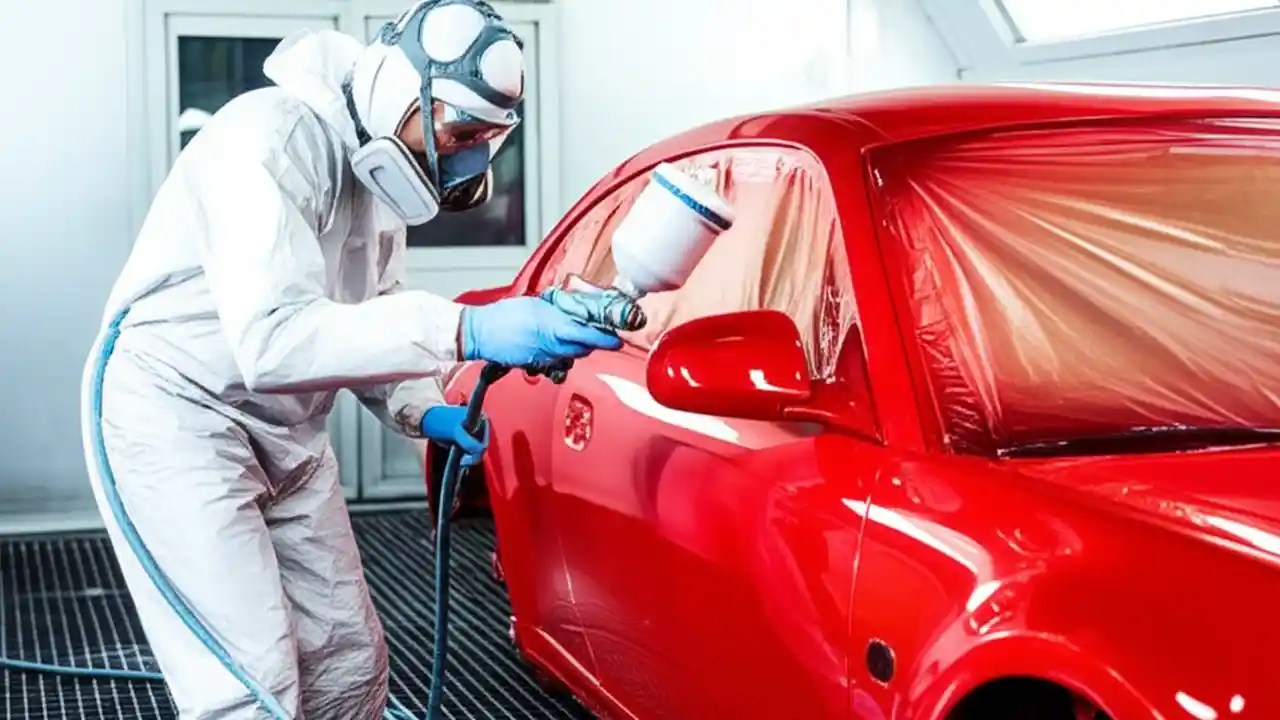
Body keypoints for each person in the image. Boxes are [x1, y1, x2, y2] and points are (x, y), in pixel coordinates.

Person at [78, 1, 619, 717]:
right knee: (250, 681)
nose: (470, 161)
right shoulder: (266, 141)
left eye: (487, 139)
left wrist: (424, 407)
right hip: (178, 418)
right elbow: (275, 339)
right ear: (401, 92)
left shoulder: (381, 176)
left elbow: (369, 307)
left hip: (290, 431)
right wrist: (467, 327)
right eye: (461, 133)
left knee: (348, 664)